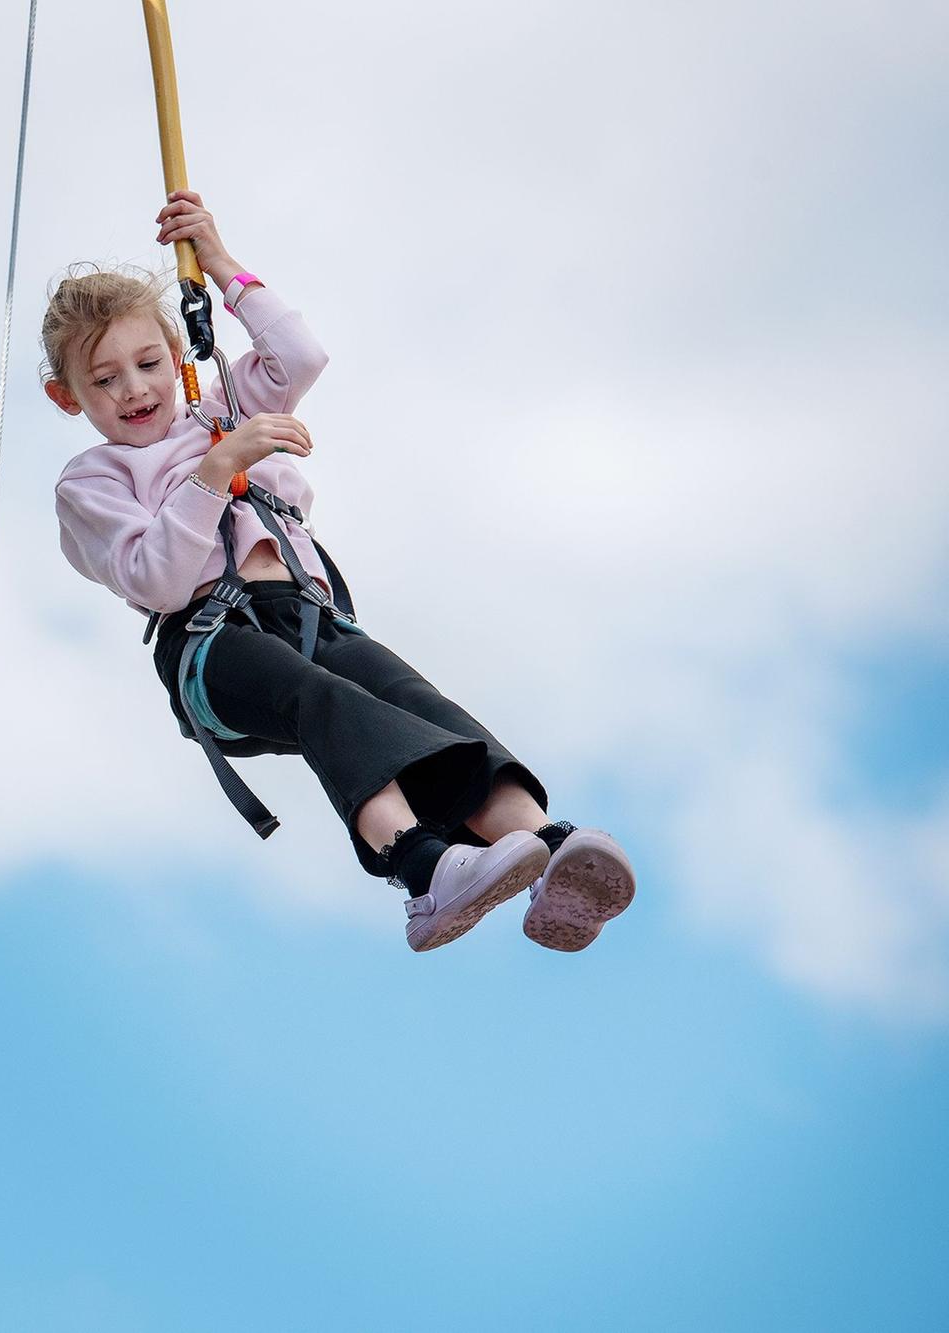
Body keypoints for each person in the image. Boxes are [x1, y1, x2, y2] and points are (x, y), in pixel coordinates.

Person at [47, 190, 636, 953]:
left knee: (414, 704)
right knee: (317, 698)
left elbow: (299, 356)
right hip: (209, 641)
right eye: (105, 380)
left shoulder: (219, 406)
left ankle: (547, 849)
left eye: (150, 362)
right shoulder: (92, 480)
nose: (134, 389)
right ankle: (420, 870)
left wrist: (221, 263)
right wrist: (218, 467)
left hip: (310, 615)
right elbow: (155, 578)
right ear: (69, 397)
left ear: (178, 357)